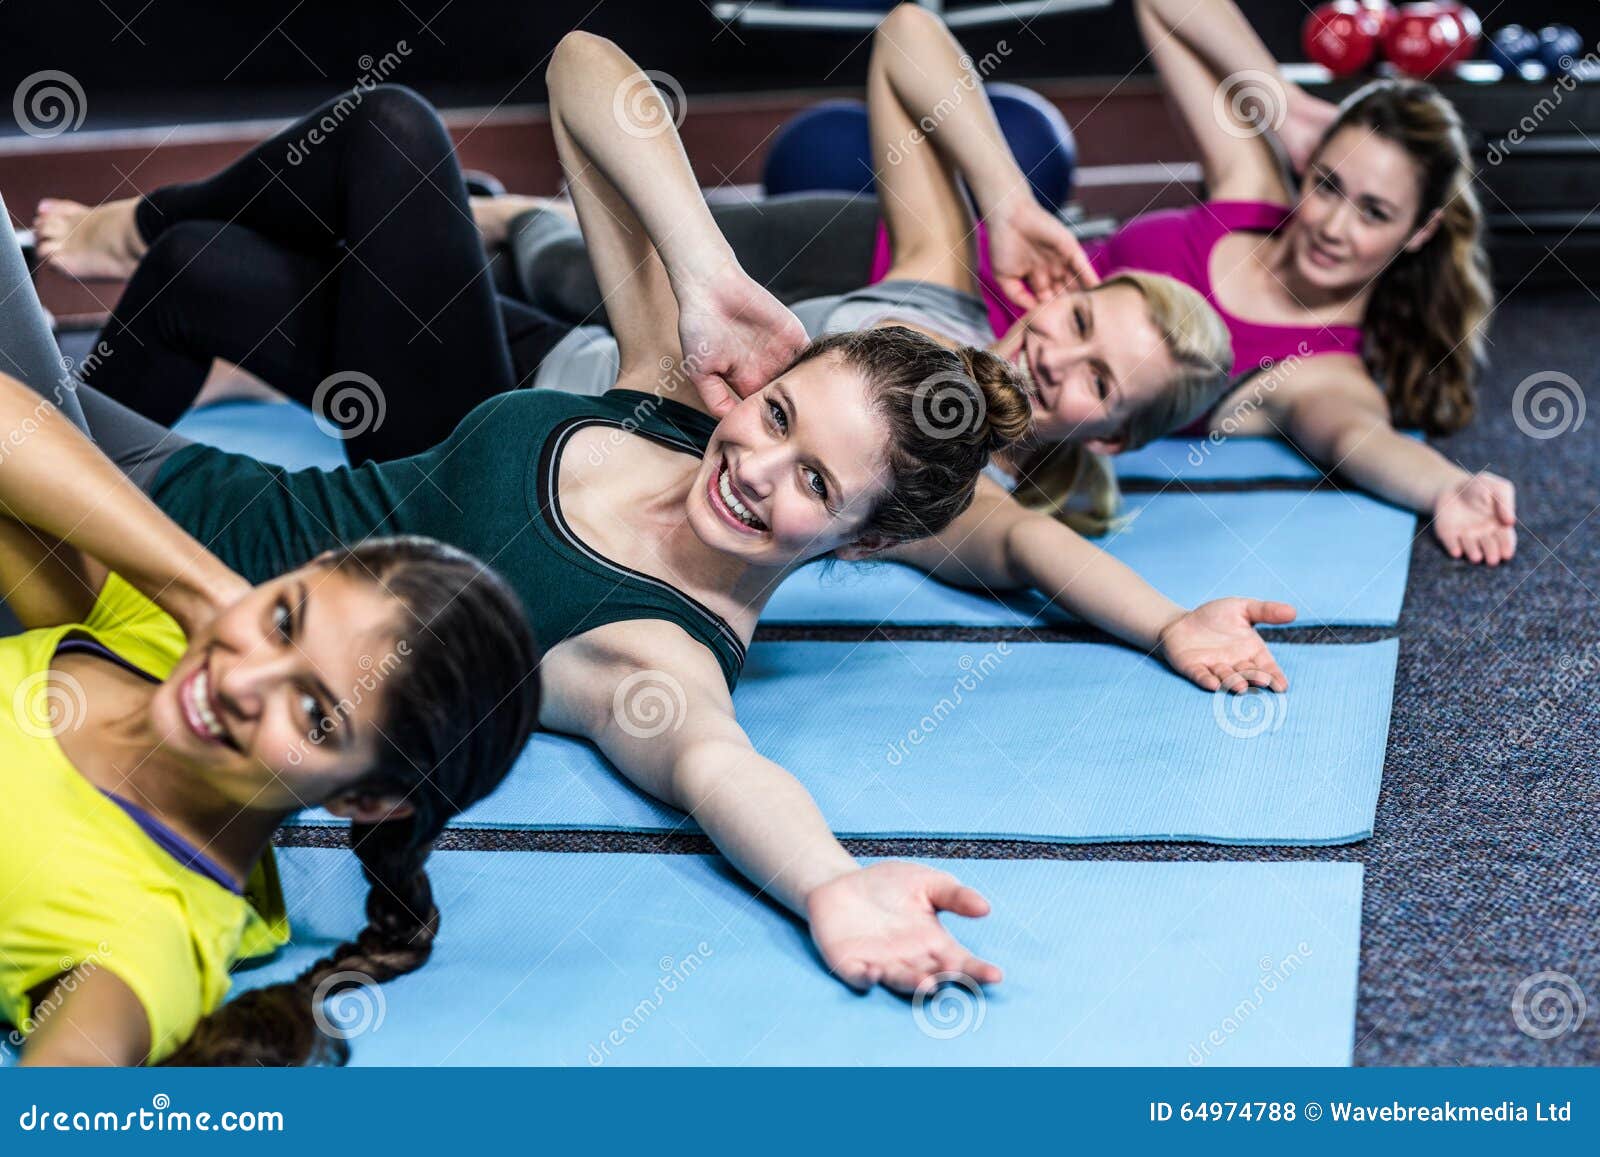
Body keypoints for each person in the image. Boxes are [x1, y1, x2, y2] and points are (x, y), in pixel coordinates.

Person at [17, 28, 1047, 998]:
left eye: (813, 482)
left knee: (205, 265)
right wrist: (704, 268)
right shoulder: (680, 406)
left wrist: (831, 881)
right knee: (217, 264)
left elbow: (719, 766)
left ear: (860, 540)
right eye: (777, 413)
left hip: (105, 581)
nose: (755, 466)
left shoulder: (659, 654)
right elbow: (581, 67)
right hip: (169, 472)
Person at [35, 11, 1296, 695]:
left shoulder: (934, 476)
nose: (1054, 359)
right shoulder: (937, 289)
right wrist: (1006, 195)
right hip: (574, 360)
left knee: (393, 138)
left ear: (1108, 436)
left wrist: (1173, 622)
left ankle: (121, 239)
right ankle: (53, 497)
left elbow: (1032, 550)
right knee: (211, 278)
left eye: (1094, 382)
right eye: (1078, 317)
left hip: (485, 439)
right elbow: (909, 30)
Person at [0, 213, 541, 1067]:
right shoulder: (155, 638)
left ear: (365, 802)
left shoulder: (148, 941)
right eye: (286, 619)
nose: (245, 677)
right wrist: (211, 589)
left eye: (315, 712)